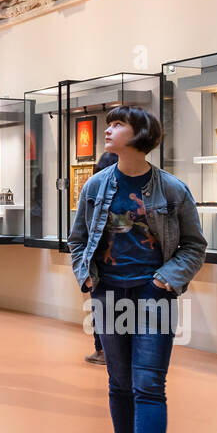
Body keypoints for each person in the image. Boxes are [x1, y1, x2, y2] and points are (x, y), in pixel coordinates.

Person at [67, 106, 207, 433]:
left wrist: (168, 278)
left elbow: (194, 245)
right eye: (109, 123)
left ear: (140, 134)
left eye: (117, 124)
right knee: (120, 384)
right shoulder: (95, 187)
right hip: (108, 295)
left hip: (153, 297)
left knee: (149, 385)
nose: (108, 129)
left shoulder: (172, 190)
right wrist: (86, 275)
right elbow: (77, 240)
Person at [83, 149, 120, 365]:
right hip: (116, 260)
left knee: (101, 308)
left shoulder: (95, 190)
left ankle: (102, 350)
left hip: (101, 261)